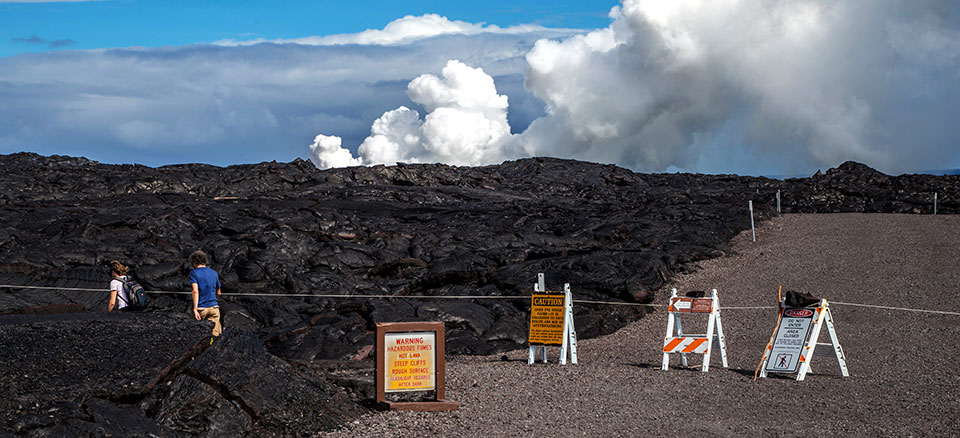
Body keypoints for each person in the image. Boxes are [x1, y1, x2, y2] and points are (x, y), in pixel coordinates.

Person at [189, 250, 223, 336]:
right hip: (214, 307)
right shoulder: (214, 273)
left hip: (201, 308)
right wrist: (215, 300)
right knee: (215, 334)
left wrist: (195, 309)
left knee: (199, 334)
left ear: (194, 263)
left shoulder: (194, 273)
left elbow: (195, 291)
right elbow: (219, 292)